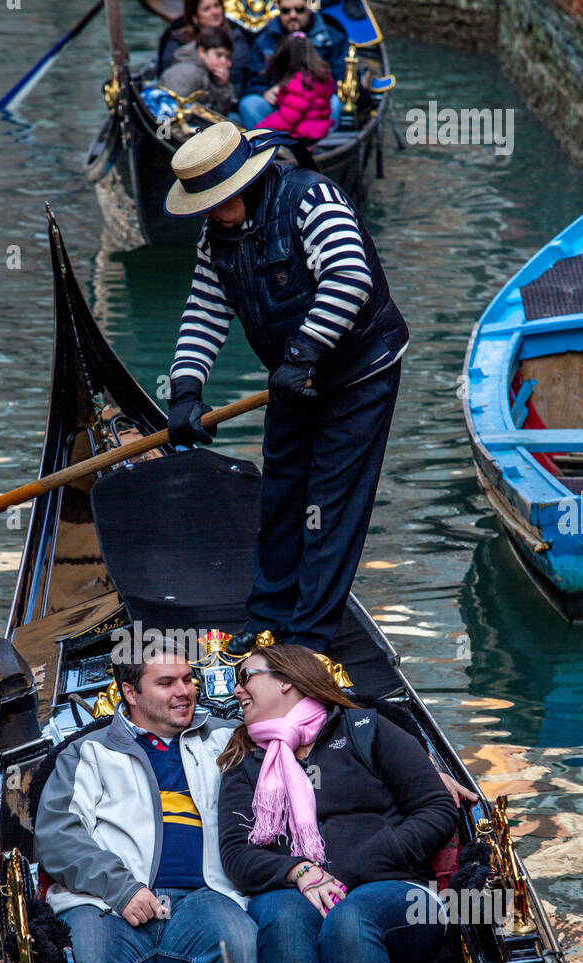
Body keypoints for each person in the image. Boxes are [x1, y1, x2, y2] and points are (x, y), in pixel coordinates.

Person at [164, 121, 409, 656]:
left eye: (215, 199)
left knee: (331, 505)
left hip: (358, 370)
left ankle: (308, 642)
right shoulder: (217, 235)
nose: (208, 211)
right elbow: (205, 311)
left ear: (242, 185)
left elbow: (351, 276)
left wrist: (302, 355)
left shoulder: (310, 197)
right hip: (293, 381)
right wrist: (185, 390)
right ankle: (268, 619)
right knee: (281, 498)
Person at [217, 644, 460, 963]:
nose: (236, 690)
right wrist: (299, 870)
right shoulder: (245, 760)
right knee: (282, 920)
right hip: (296, 892)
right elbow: (237, 854)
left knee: (351, 918)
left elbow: (437, 809)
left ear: (286, 680)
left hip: (394, 891)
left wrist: (350, 871)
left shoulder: (367, 728)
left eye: (246, 676)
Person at [34, 641, 257, 963]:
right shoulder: (87, 752)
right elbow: (59, 838)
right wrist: (121, 889)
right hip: (106, 905)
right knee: (88, 956)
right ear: (130, 693)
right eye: (167, 682)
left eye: (188, 679)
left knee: (237, 941)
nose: (184, 691)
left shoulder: (227, 739)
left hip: (204, 899)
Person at [238, 0, 347, 130]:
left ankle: (318, 148)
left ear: (310, 7)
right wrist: (265, 92)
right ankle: (268, 147)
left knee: (334, 102)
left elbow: (340, 80)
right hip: (277, 107)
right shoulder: (265, 40)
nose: (293, 15)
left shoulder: (333, 38)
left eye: (299, 9)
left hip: (314, 106)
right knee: (250, 104)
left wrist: (309, 93)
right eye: (286, 11)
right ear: (278, 9)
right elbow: (252, 82)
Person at [252, 31, 335, 145]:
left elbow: (287, 120)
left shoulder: (300, 83)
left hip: (304, 135)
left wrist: (257, 132)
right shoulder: (321, 75)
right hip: (317, 129)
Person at [158, 0, 252, 97]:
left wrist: (222, 83)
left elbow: (237, 75)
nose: (214, 12)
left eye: (216, 6)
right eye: (206, 9)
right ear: (195, 17)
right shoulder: (178, 38)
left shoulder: (236, 36)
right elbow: (168, 69)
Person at [161, 24, 235, 118]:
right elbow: (173, 110)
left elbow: (220, 113)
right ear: (202, 52)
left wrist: (222, 86)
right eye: (218, 55)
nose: (224, 62)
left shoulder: (213, 74)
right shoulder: (185, 73)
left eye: (227, 57)